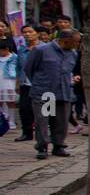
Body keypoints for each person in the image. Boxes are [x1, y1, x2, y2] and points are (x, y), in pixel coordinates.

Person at [24, 27, 80, 159]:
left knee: (61, 121)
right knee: (42, 121)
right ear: (65, 40)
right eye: (76, 41)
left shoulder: (73, 53)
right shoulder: (41, 50)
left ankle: (59, 145)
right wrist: (40, 82)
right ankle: (42, 146)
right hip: (44, 92)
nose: (77, 44)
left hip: (63, 92)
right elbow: (29, 69)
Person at [11, 23, 38, 141]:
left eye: (30, 31)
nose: (27, 34)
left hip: (41, 84)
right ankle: (27, 132)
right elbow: (19, 67)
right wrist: (17, 82)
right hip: (25, 83)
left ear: (36, 33)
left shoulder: (45, 48)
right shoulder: (22, 50)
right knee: (24, 108)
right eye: (25, 32)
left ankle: (46, 134)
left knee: (45, 110)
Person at [0, 39, 18, 129]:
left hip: (10, 82)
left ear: (6, 49)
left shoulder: (14, 57)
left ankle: (11, 121)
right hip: (0, 81)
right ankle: (2, 120)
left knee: (10, 102)